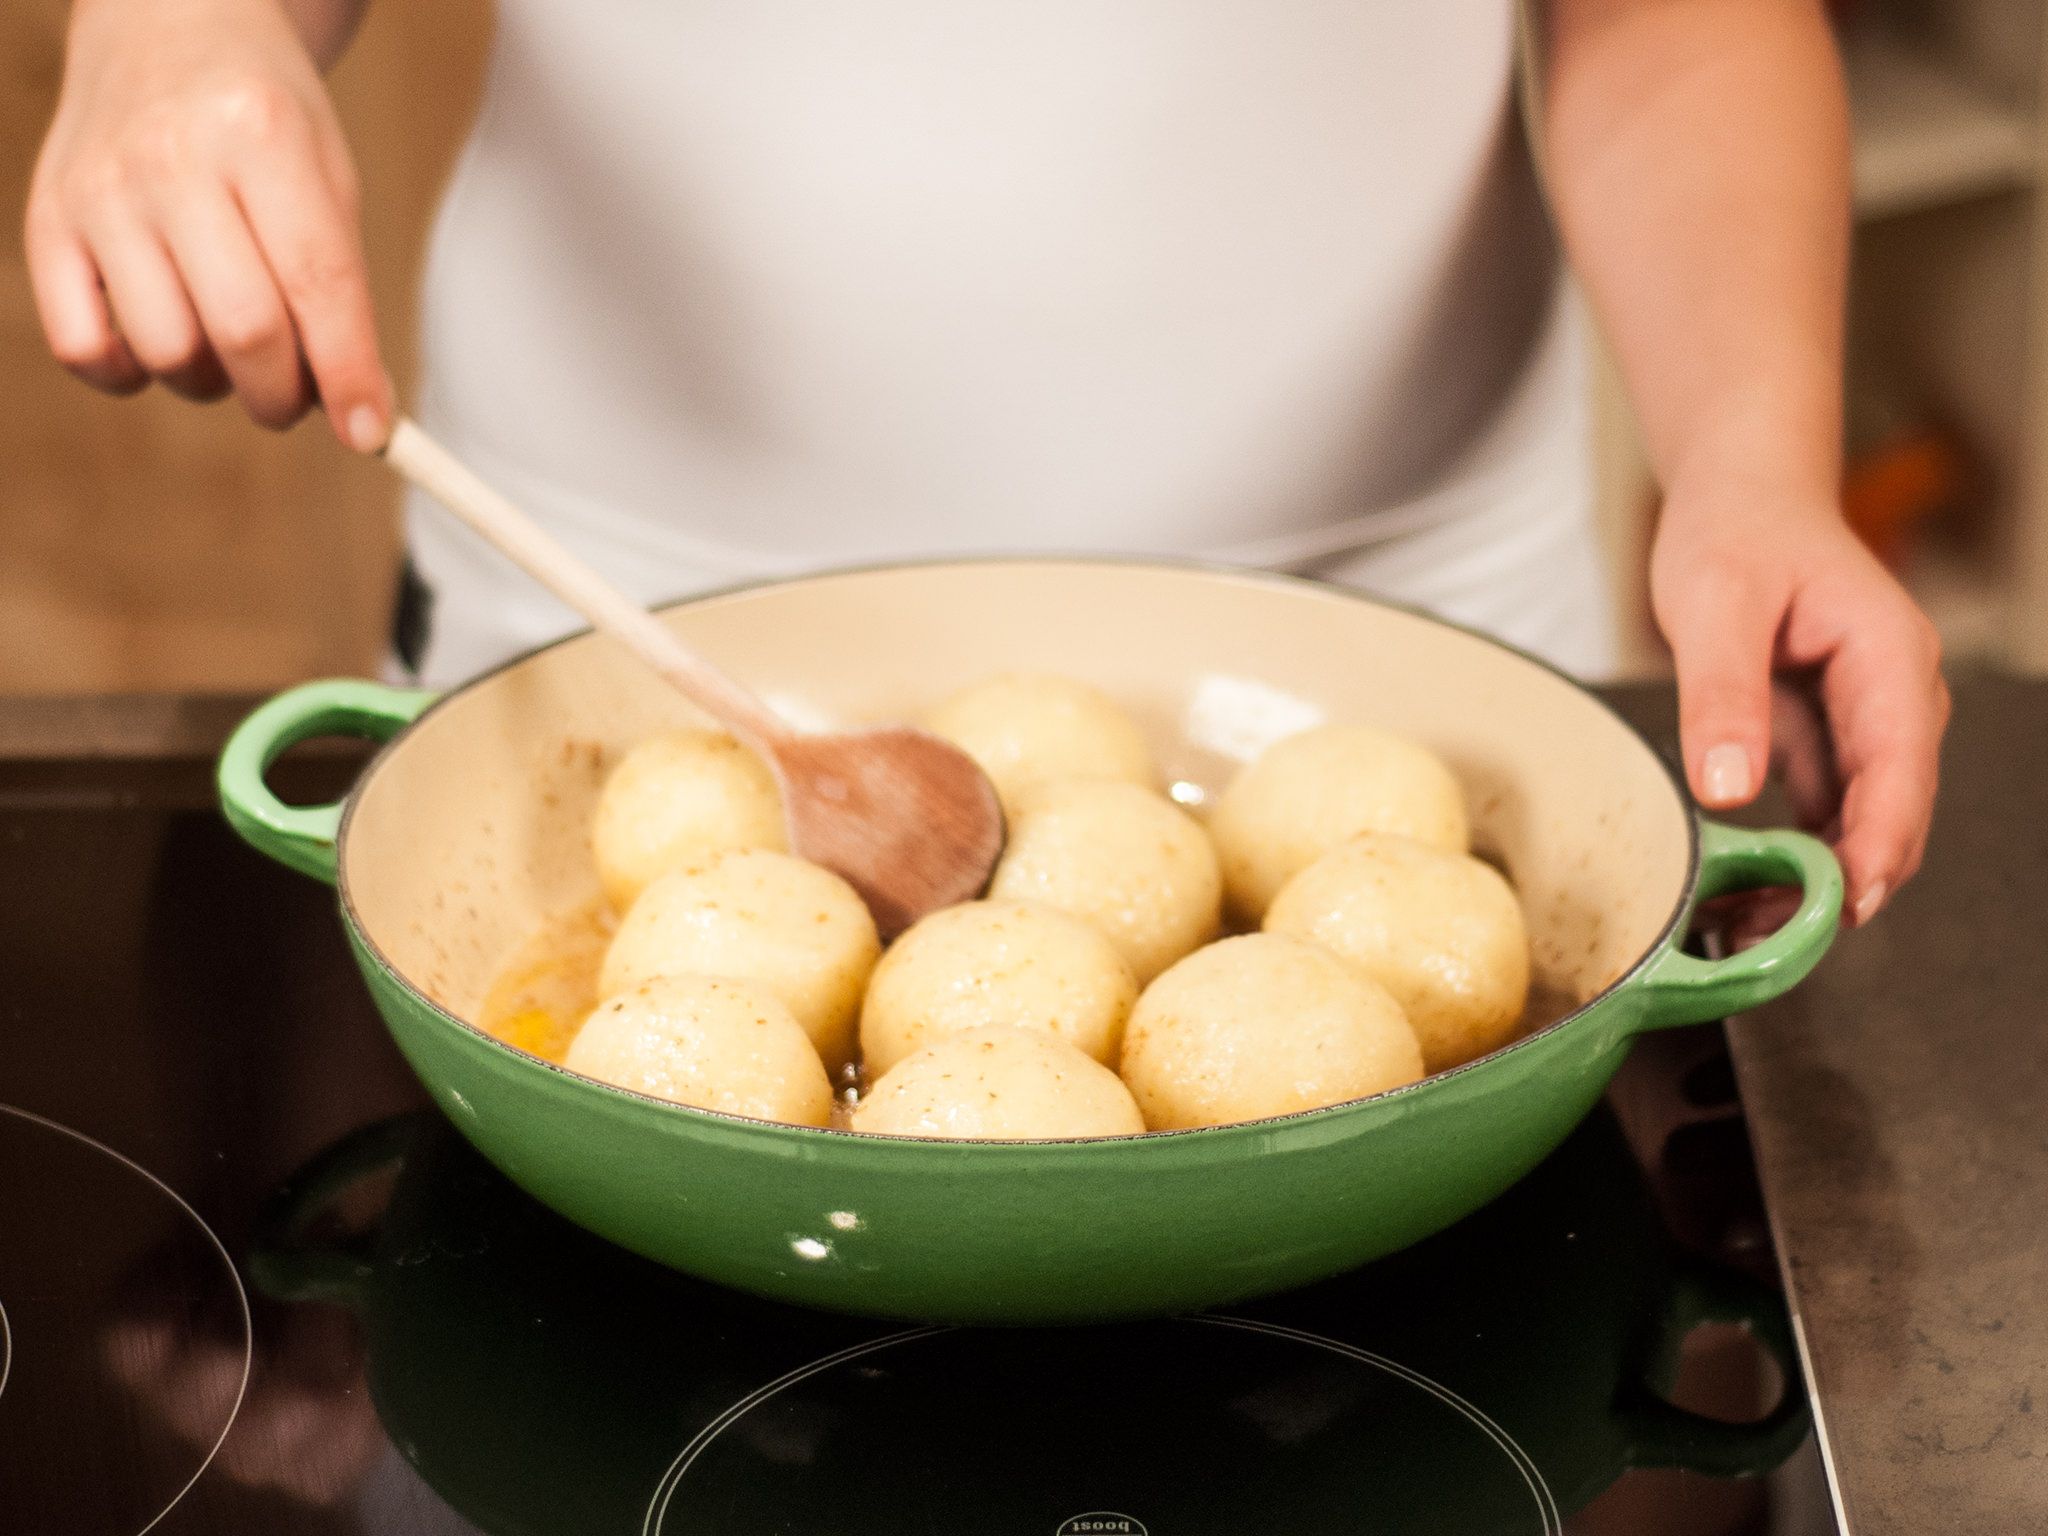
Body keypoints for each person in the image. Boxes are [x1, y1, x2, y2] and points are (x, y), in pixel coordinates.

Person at [27, 0, 1944, 926]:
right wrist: (170, 32)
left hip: (1411, 685)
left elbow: (1676, 21)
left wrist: (1756, 460)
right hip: (608, 652)